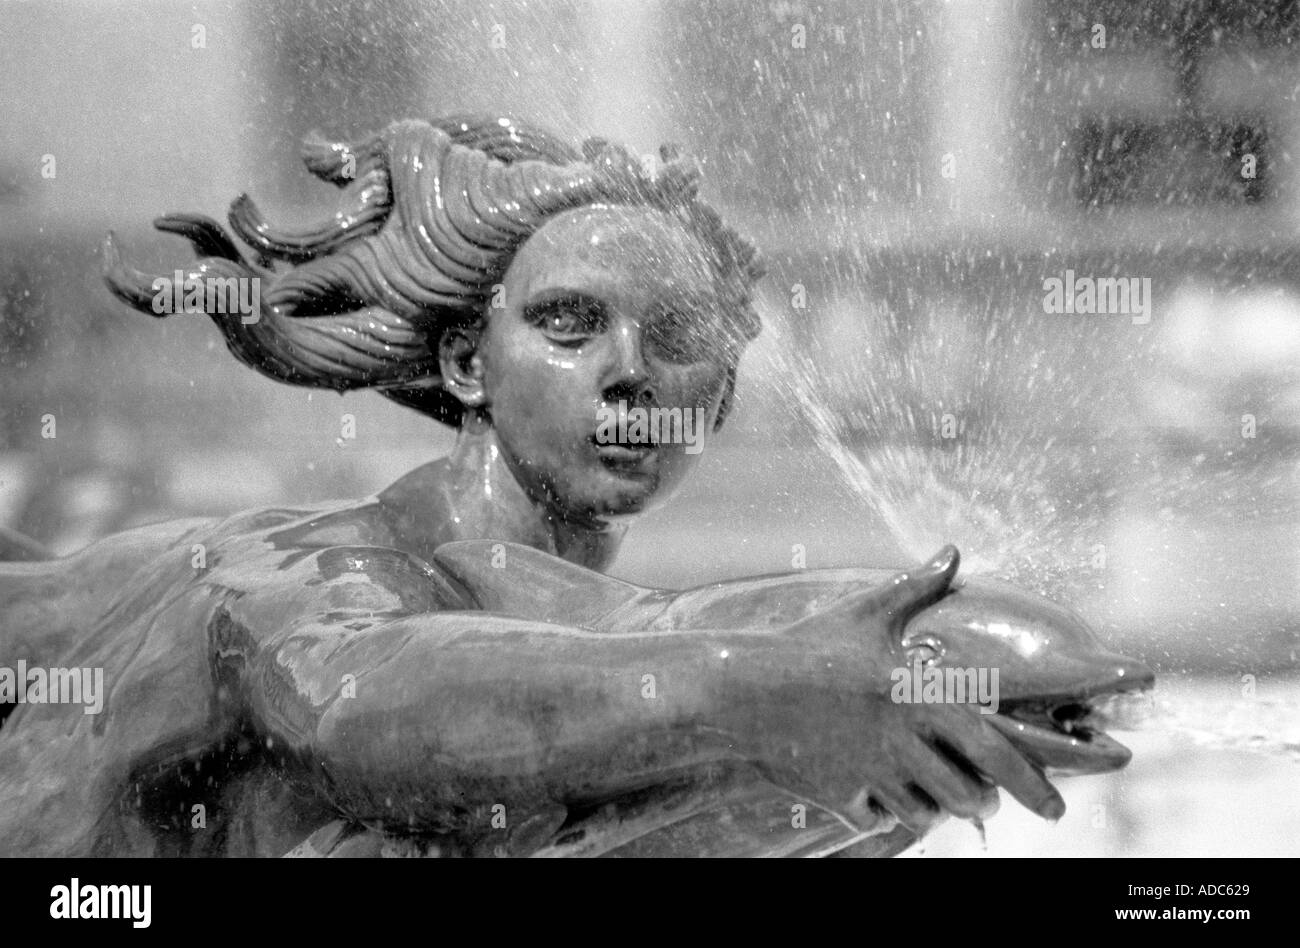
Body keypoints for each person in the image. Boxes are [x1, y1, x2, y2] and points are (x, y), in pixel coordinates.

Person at [0, 116, 1065, 857]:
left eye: (680, 337)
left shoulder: (590, 633)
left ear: (720, 399)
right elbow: (363, 706)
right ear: (469, 360)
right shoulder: (306, 572)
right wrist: (760, 687)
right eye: (568, 323)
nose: (629, 371)